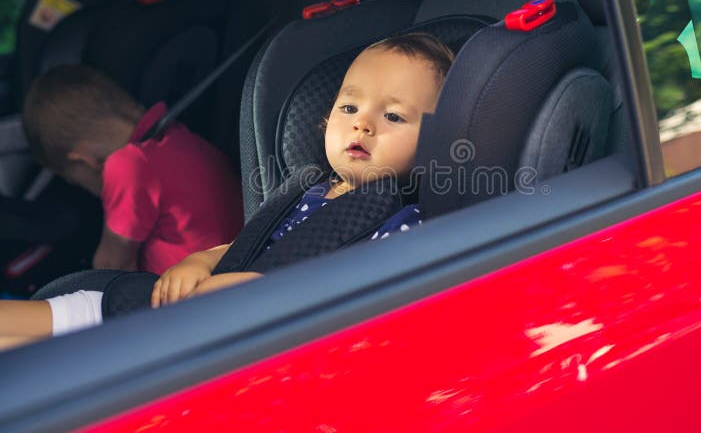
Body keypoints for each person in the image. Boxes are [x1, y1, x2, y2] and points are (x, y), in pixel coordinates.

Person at [0, 32, 455, 350]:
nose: (362, 123)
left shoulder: (400, 223)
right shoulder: (306, 190)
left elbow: (353, 296)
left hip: (236, 336)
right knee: (66, 314)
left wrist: (255, 291)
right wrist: (201, 260)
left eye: (393, 116)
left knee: (78, 326)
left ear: (435, 138)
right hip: (192, 311)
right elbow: (247, 244)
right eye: (349, 107)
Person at [21, 64, 243, 274]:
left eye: (77, 181)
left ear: (83, 160)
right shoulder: (175, 135)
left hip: (189, 300)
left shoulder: (128, 166)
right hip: (237, 261)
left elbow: (111, 265)